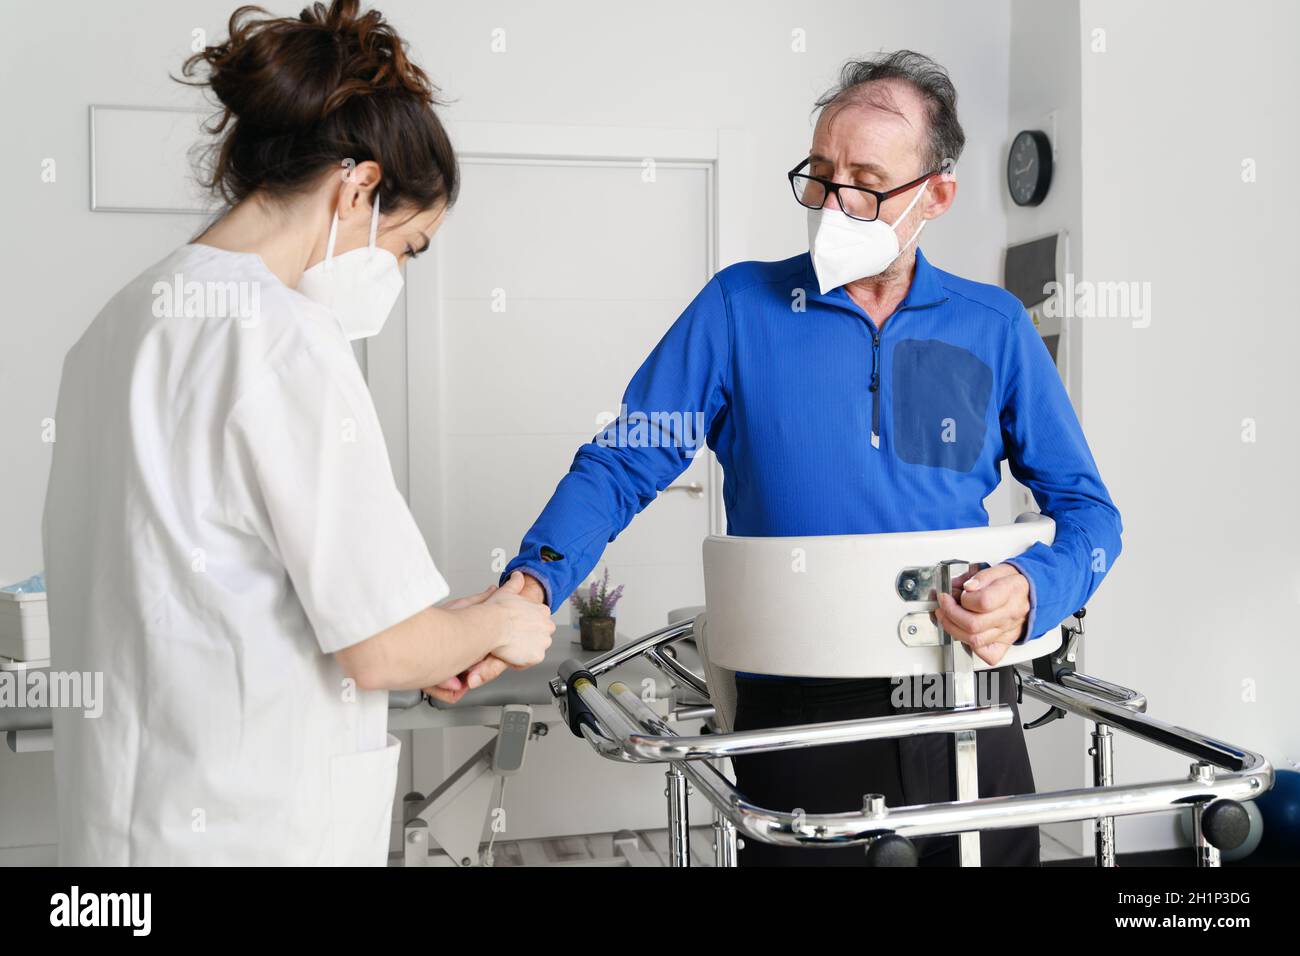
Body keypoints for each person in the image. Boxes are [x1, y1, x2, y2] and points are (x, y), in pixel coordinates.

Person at [501, 51, 1123, 866]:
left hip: (964, 697)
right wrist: (534, 578)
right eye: (820, 175)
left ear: (936, 195)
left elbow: (1089, 513)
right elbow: (624, 461)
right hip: (798, 712)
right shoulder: (736, 307)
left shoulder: (994, 326)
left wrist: (1038, 589)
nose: (832, 203)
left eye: (865, 181)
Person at [41, 0, 553, 866]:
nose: (395, 275)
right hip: (247, 829)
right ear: (358, 187)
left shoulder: (115, 327)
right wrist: (506, 622)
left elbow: (231, 578)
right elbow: (381, 650)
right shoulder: (285, 339)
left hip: (119, 833)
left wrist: (441, 628)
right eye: (408, 247)